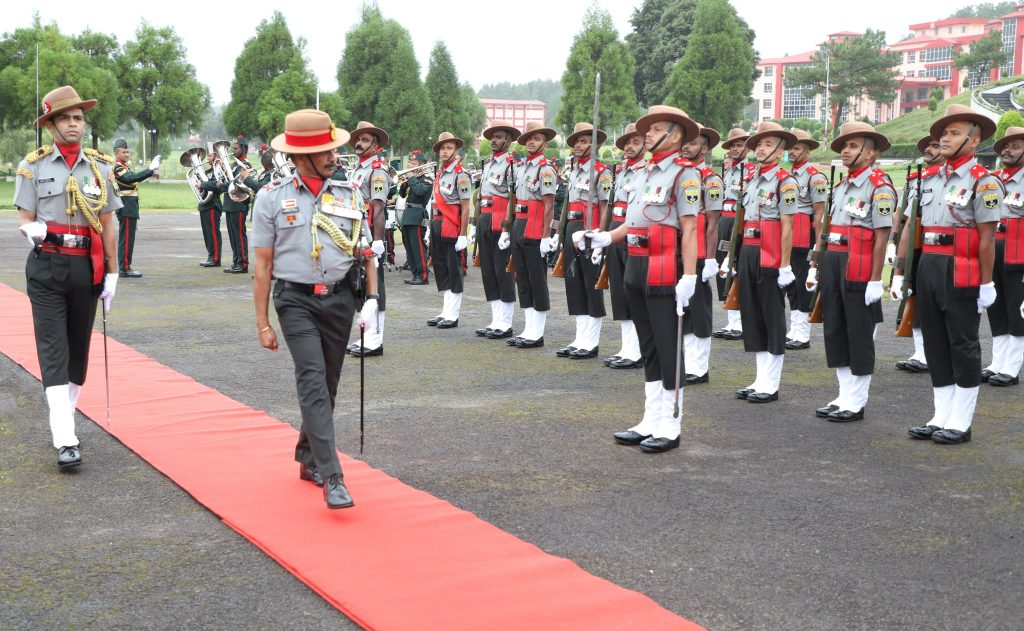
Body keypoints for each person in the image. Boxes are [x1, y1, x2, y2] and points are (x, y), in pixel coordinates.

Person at [252, 109, 378, 509]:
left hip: (340, 299)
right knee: (311, 379)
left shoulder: (349, 194)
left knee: (328, 386)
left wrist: (372, 300)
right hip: (295, 300)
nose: (334, 155)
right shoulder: (270, 198)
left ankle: (309, 458)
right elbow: (263, 266)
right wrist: (262, 324)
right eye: (325, 150)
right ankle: (333, 475)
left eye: (333, 148)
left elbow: (367, 252)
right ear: (300, 156)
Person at [579, 105, 701, 453]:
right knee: (648, 347)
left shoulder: (684, 175)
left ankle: (671, 424)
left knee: (667, 346)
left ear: (675, 135)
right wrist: (606, 237)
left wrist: (689, 275)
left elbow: (690, 229)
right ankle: (650, 418)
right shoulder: (643, 172)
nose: (646, 133)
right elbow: (633, 222)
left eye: (656, 128)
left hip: (665, 268)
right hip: (635, 263)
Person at [14, 85, 122, 470]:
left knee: (78, 349)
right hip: (47, 267)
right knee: (52, 348)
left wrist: (112, 272)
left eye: (78, 117)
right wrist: (33, 231)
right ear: (52, 125)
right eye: (65, 118)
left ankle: (67, 415)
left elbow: (108, 224)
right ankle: (64, 435)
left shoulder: (101, 167)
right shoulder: (34, 165)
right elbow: (24, 219)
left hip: (86, 267)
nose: (74, 124)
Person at [896, 104, 1002, 444]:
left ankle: (961, 419)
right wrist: (903, 272)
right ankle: (941, 413)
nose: (944, 138)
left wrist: (986, 282)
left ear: (974, 141)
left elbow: (987, 239)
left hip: (962, 267)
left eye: (954, 133)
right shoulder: (929, 179)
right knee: (935, 342)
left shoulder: (983, 183)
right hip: (929, 263)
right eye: (943, 132)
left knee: (962, 343)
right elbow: (915, 228)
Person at [806, 122, 893, 422]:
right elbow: (827, 229)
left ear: (870, 154)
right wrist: (816, 264)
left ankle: (856, 400)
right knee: (836, 331)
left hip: (859, 266)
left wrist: (874, 280)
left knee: (858, 333)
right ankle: (844, 394)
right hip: (835, 262)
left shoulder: (879, 186)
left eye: (853, 146)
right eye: (844, 146)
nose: (845, 150)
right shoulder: (842, 185)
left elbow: (882, 236)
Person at [733, 121, 800, 404]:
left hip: (770, 252)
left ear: (781, 150)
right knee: (752, 314)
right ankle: (760, 378)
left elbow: (787, 226)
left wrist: (785, 264)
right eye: (758, 144)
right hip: (749, 250)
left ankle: (771, 384)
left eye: (768, 144)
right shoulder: (751, 179)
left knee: (771, 316)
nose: (761, 149)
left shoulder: (786, 181)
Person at [500, 121, 559, 348]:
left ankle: (537, 332)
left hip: (535, 229)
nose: (532, 143)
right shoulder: (521, 167)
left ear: (544, 143)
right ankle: (527, 329)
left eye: (536, 139)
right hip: (519, 227)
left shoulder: (546, 169)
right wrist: (508, 229)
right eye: (529, 139)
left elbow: (549, 206)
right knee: (522, 279)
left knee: (537, 280)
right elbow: (514, 200)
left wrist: (546, 236)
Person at [556, 122, 611, 359]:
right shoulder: (575, 170)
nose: (579, 145)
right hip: (572, 227)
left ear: (595, 143)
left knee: (591, 285)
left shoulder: (601, 172)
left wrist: (601, 238)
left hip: (590, 230)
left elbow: (605, 206)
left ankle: (591, 341)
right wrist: (559, 234)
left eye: (584, 140)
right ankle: (580, 337)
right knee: (575, 284)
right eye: (577, 141)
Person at [892, 135, 944, 373]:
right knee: (914, 297)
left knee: (935, 301)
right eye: (927, 146)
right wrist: (894, 243)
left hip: (936, 247)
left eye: (935, 146)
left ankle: (933, 353)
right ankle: (920, 352)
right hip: (912, 243)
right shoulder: (915, 179)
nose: (929, 150)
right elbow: (901, 215)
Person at [680, 123, 724, 384]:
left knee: (699, 309)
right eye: (684, 141)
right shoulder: (680, 175)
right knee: (682, 308)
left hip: (698, 251)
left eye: (693, 142)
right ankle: (687, 363)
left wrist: (709, 258)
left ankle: (699, 367)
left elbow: (713, 222)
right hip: (679, 249)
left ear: (705, 147)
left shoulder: (710, 178)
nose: (687, 146)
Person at [602, 123, 646, 369]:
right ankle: (627, 347)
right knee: (619, 292)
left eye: (636, 142)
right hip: (616, 231)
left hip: (634, 234)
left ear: (646, 145)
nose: (630, 146)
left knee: (634, 292)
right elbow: (610, 206)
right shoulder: (619, 171)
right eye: (627, 142)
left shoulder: (647, 171)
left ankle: (638, 350)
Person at [983, 126, 1024, 387]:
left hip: (1018, 252)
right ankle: (997, 362)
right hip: (993, 251)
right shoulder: (993, 179)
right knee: (996, 309)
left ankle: (1012, 367)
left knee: (1016, 311)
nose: (1008, 150)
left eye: (1015, 146)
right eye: (1005, 147)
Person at [346, 121, 391, 357]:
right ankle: (366, 333)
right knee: (360, 285)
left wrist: (378, 240)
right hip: (355, 234)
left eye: (365, 140)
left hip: (368, 234)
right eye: (358, 139)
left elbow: (378, 207)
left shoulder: (377, 171)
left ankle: (376, 338)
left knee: (375, 287)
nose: (359, 143)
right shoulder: (359, 168)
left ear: (376, 145)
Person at [784, 129, 828, 350]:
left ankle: (803, 332)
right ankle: (794, 328)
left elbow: (819, 212)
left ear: (808, 151)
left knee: (803, 284)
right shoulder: (788, 175)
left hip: (805, 234)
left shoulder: (815, 176)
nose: (792, 152)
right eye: (791, 148)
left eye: (797, 148)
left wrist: (818, 245)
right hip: (789, 235)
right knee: (791, 284)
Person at [475, 121, 520, 338]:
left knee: (503, 271)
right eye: (492, 137)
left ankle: (506, 322)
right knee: (488, 271)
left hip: (500, 220)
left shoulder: (511, 164)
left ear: (509, 141)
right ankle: (495, 320)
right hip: (485, 217)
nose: (494, 140)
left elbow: (513, 197)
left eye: (499, 137)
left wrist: (507, 229)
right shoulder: (489, 163)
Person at [425, 132, 473, 328]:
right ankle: (445, 310)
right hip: (437, 223)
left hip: (452, 225)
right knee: (441, 267)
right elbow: (435, 203)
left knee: (454, 269)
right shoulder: (441, 172)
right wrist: (429, 228)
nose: (445, 152)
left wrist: (463, 233)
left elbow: (466, 206)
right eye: (442, 148)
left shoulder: (461, 175)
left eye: (449, 148)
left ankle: (453, 314)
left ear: (456, 150)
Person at [714, 128, 756, 339]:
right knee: (722, 264)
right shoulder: (726, 170)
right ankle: (731, 321)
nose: (735, 149)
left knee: (737, 265)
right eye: (732, 145)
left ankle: (740, 321)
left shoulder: (752, 171)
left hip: (740, 219)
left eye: (739, 145)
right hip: (724, 218)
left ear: (747, 147)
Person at [112, 138, 160, 278]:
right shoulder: (118, 167)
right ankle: (125, 268)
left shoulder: (123, 166)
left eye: (128, 151)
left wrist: (151, 172)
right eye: (124, 152)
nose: (127, 154)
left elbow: (133, 178)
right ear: (117, 153)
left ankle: (125, 267)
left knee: (128, 238)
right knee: (126, 239)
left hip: (129, 207)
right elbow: (131, 178)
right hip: (126, 206)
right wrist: (150, 170)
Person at [399, 150, 431, 285]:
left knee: (418, 247)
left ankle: (423, 275)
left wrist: (411, 178)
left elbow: (420, 191)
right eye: (410, 162)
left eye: (413, 162)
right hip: (408, 215)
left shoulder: (427, 180)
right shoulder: (412, 180)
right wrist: (405, 182)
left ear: (421, 164)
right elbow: (401, 194)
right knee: (410, 247)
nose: (410, 164)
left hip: (418, 216)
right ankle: (415, 273)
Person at [222, 135, 253, 274]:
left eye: (236, 148)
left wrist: (218, 185)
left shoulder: (244, 165)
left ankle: (243, 263)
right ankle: (236, 262)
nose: (233, 150)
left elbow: (236, 183)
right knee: (233, 235)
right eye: (233, 148)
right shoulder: (235, 165)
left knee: (239, 235)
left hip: (239, 205)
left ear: (244, 149)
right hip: (231, 204)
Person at [197, 151, 228, 268]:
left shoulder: (218, 170)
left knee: (213, 233)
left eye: (210, 156)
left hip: (212, 204)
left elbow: (217, 185)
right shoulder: (208, 171)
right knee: (207, 234)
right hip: (204, 204)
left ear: (216, 157)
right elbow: (203, 185)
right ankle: (210, 256)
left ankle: (215, 259)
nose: (208, 158)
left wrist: (202, 184)